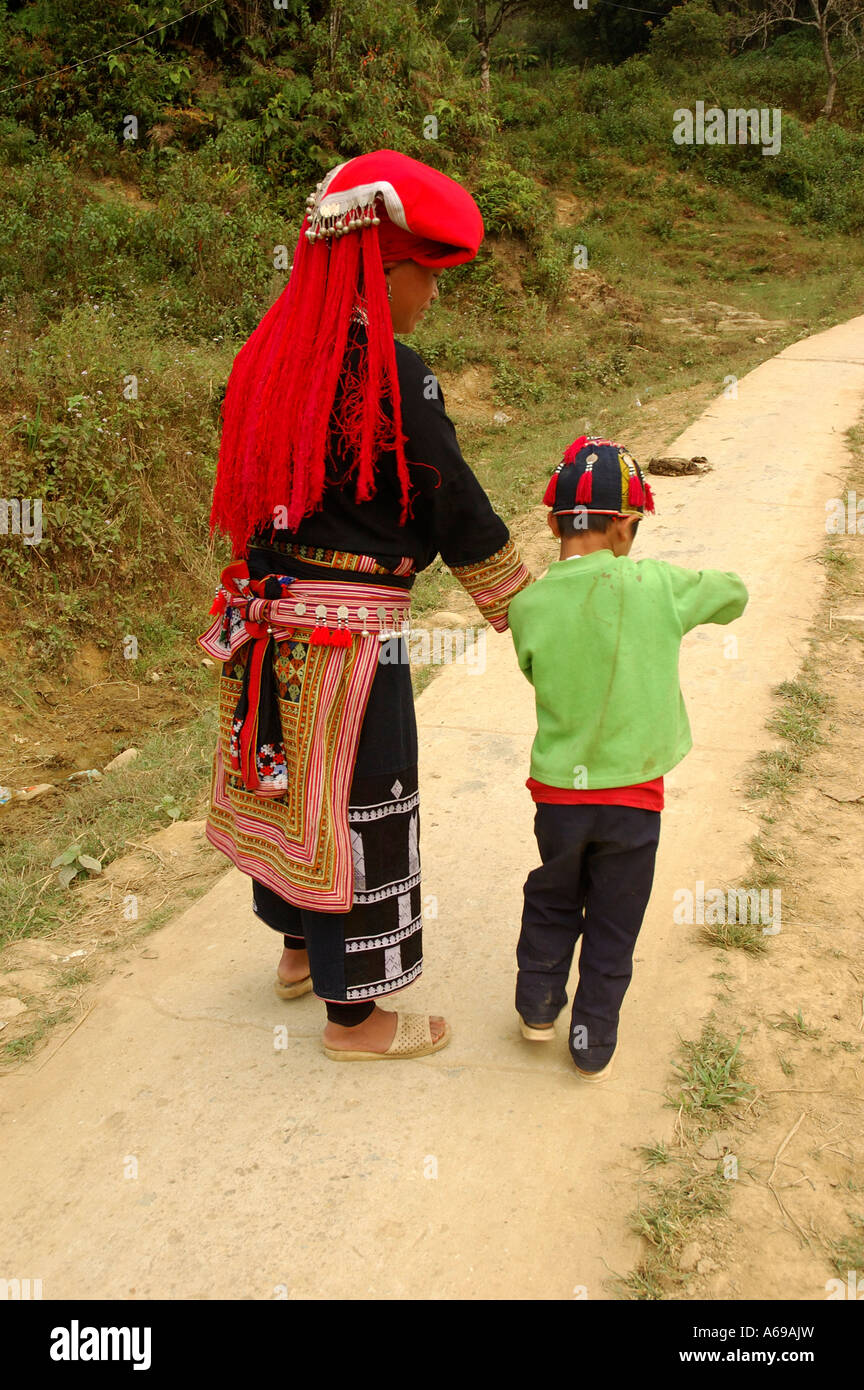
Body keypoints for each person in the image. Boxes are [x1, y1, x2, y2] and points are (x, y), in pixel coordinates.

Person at [199, 150, 533, 1061]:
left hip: (267, 623)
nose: (430, 294)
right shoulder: (392, 375)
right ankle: (358, 1018)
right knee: (357, 800)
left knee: (284, 782)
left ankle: (299, 951)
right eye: (425, 275)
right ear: (381, 270)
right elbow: (448, 496)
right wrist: (519, 604)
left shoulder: (268, 358)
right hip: (351, 638)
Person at [506, 436, 748, 1080]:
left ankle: (536, 1004)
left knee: (554, 892)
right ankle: (592, 1036)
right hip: (633, 801)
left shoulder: (526, 605)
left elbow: (538, 671)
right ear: (622, 525)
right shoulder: (659, 584)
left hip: (557, 796)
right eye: (635, 525)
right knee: (615, 915)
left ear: (555, 522)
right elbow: (733, 593)